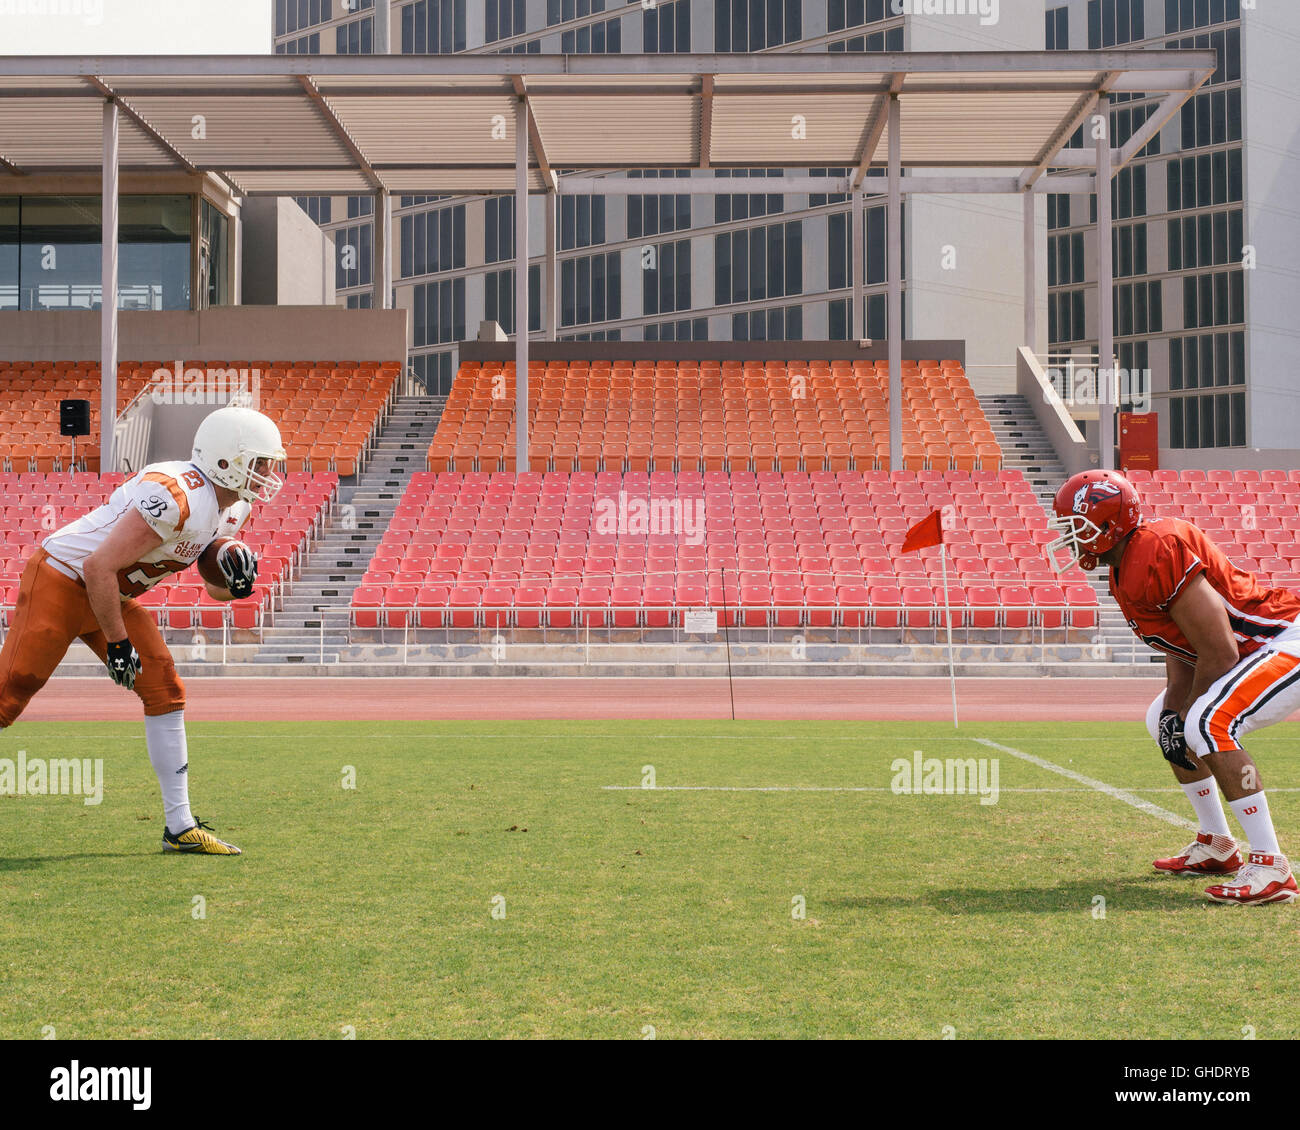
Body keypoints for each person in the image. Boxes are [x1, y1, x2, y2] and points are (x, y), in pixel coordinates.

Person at [0, 405, 286, 855]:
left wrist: (234, 579)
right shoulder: (178, 493)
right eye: (261, 462)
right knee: (10, 695)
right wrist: (117, 645)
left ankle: (180, 825)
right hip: (64, 578)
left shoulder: (233, 510)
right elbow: (98, 565)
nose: (269, 472)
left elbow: (215, 594)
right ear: (226, 460)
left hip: (106, 593)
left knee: (163, 687)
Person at [1049, 468, 1298, 905]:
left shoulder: (1155, 549)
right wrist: (1171, 713)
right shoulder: (1125, 567)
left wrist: (1186, 716)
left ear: (1110, 524)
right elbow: (1184, 647)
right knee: (1161, 720)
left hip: (1284, 637)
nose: (1071, 537)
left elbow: (1219, 651)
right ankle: (1218, 845)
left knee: (1207, 722)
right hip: (1253, 649)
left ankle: (1270, 866)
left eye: (1079, 526)